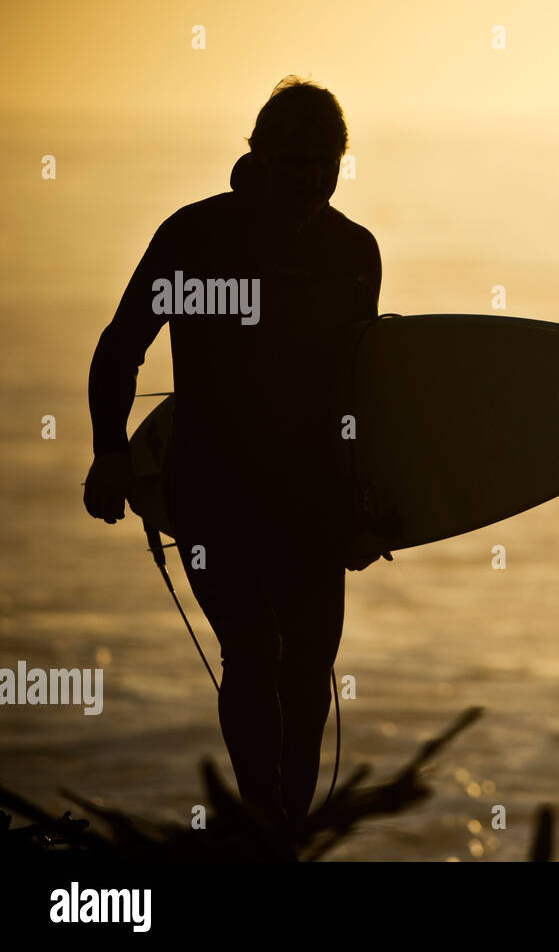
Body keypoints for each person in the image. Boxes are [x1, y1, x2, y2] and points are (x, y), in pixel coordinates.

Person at [83, 77, 381, 834]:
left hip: (311, 502)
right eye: (294, 162)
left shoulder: (353, 253)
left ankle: (282, 830)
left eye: (327, 162)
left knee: (308, 676)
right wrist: (109, 452)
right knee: (252, 654)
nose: (312, 179)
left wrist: (367, 504)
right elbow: (122, 347)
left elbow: (362, 395)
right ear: (256, 155)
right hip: (213, 489)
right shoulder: (196, 237)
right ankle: (260, 828)